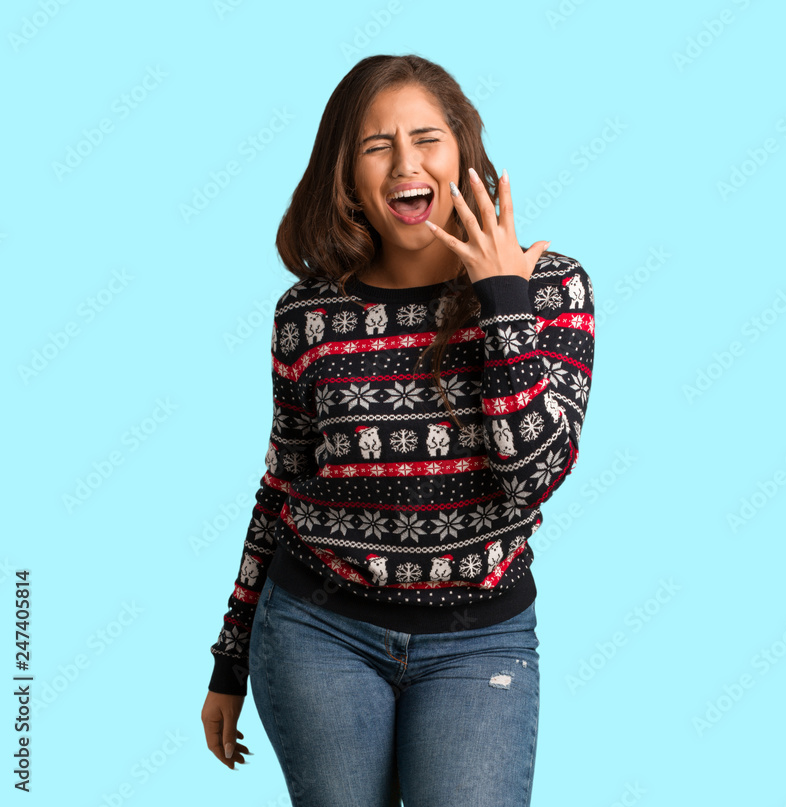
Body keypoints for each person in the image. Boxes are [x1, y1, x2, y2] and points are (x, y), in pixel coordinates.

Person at [200, 53, 596, 807]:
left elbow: (534, 476)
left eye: (427, 139)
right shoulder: (307, 312)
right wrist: (229, 658)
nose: (404, 164)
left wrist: (502, 299)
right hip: (316, 633)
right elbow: (281, 483)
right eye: (375, 146)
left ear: (464, 151)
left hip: (480, 639)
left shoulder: (549, 288)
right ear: (345, 174)